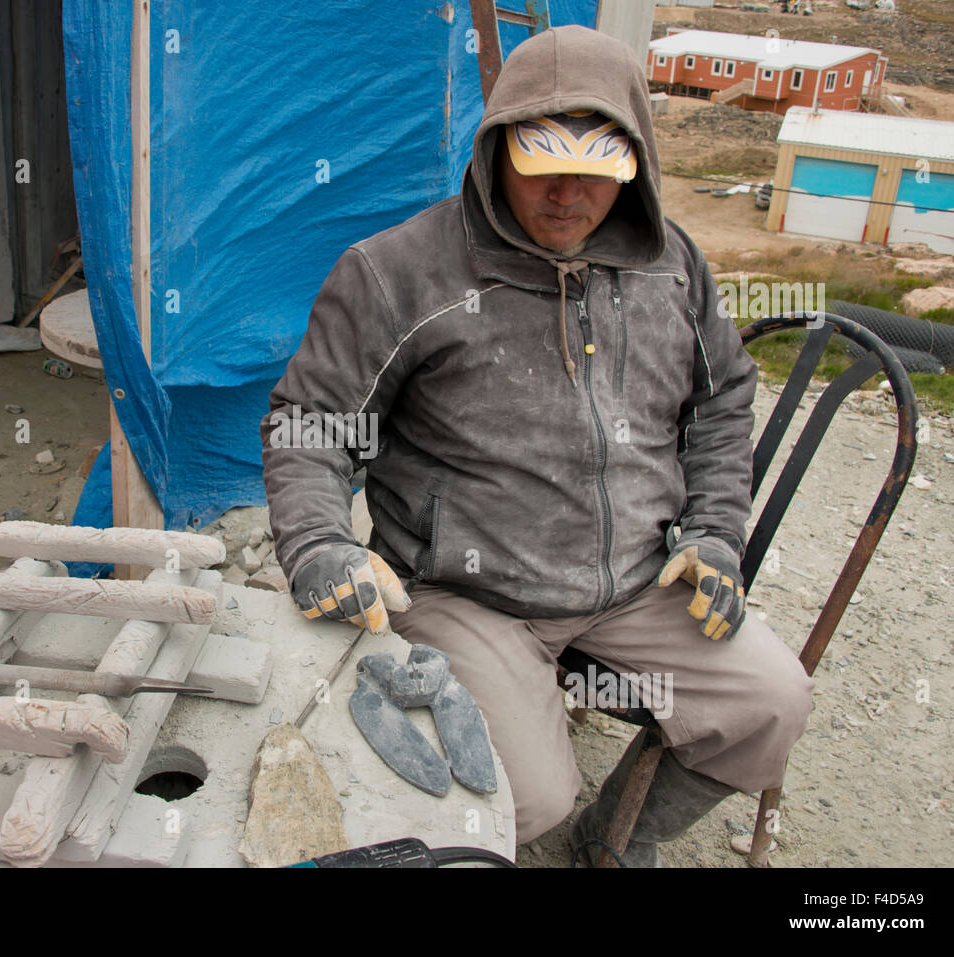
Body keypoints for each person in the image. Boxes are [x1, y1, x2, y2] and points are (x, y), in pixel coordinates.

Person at [259, 25, 813, 865]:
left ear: (635, 162)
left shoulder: (673, 266)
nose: (565, 194)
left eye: (594, 172)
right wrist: (319, 545)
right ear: (494, 150)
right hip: (468, 592)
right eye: (540, 163)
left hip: (638, 579)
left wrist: (714, 534)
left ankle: (615, 837)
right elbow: (311, 423)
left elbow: (722, 401)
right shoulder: (397, 273)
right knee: (524, 798)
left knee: (772, 702)